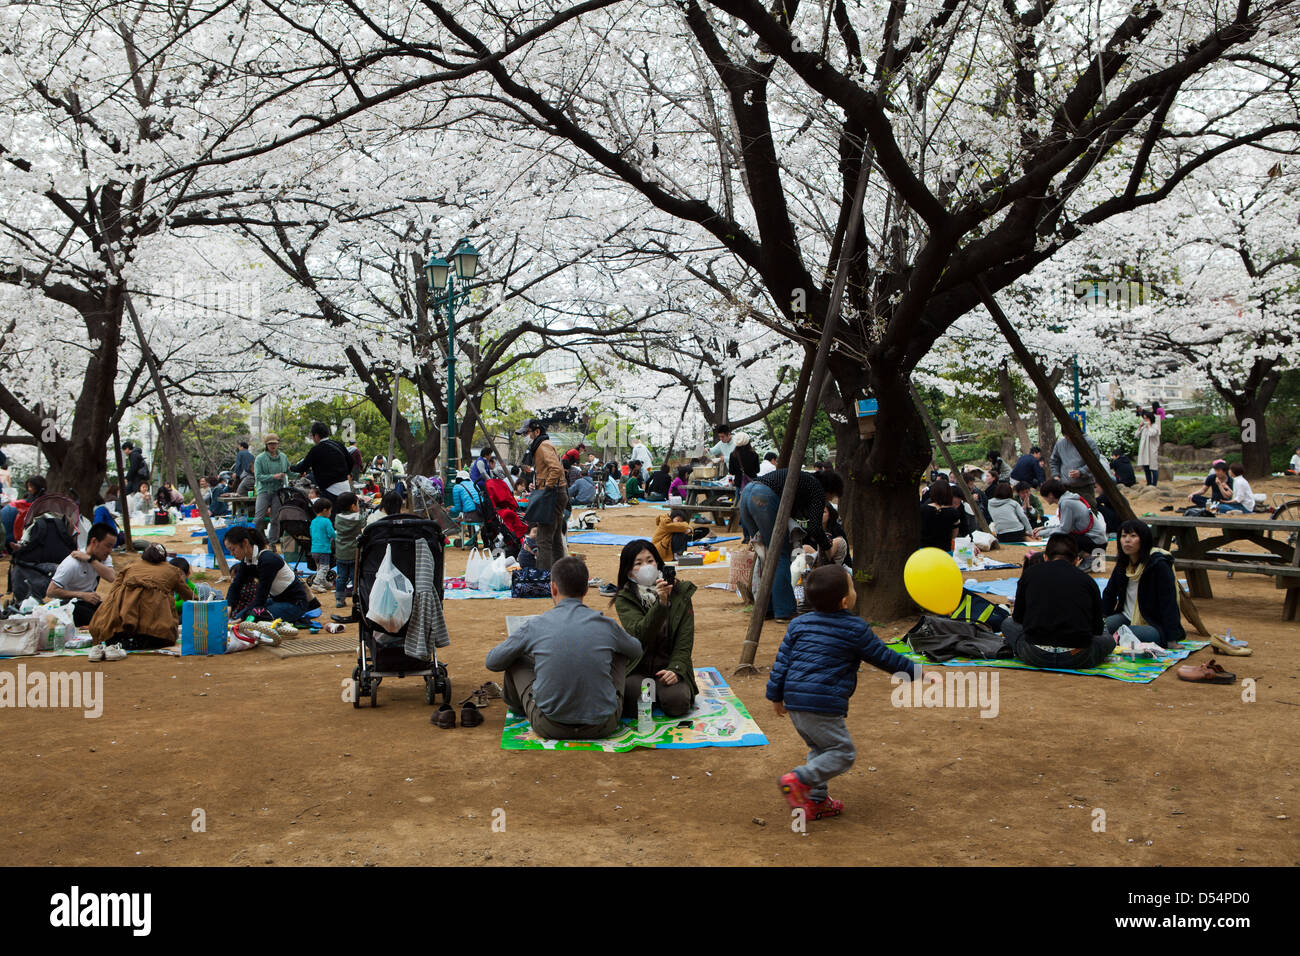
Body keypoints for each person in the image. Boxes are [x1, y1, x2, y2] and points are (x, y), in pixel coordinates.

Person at [767, 565, 933, 819]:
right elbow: (884, 657)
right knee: (843, 753)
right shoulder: (854, 628)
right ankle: (799, 779)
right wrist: (918, 672)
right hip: (822, 703)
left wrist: (775, 695)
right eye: (852, 586)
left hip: (795, 701)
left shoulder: (798, 624)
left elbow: (783, 661)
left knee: (821, 749)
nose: (855, 590)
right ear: (846, 600)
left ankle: (815, 801)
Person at [485, 556, 641, 740]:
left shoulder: (536, 625)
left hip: (548, 725)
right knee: (619, 652)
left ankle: (519, 706)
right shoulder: (606, 625)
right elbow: (636, 650)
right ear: (585, 590)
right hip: (603, 725)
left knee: (515, 657)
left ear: (553, 588)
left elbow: (493, 661)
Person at [739, 467, 843, 621]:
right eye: (830, 497)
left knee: (764, 554)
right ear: (829, 489)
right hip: (762, 498)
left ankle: (766, 608)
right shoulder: (816, 488)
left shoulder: (804, 481)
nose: (827, 501)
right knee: (779, 553)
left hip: (746, 494)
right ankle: (784, 610)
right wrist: (827, 547)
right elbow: (815, 526)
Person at [1002, 533, 1116, 668]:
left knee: (1007, 623)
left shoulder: (1029, 574)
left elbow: (1018, 618)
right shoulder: (1088, 581)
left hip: (1035, 654)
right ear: (1077, 560)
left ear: (1045, 557)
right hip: (1078, 656)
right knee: (1107, 637)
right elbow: (1097, 628)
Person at [611, 540, 698, 718]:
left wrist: (676, 669)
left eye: (650, 561)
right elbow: (640, 634)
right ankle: (654, 694)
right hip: (638, 669)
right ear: (629, 572)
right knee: (638, 706)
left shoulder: (681, 593)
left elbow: (685, 640)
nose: (646, 567)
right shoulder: (625, 598)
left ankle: (663, 693)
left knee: (678, 703)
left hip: (668, 668)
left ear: (658, 562)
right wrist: (661, 604)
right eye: (638, 563)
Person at [87, 543, 191, 657]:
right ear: (164, 558)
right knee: (163, 634)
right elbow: (190, 597)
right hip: (157, 630)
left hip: (124, 623)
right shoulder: (172, 571)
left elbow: (112, 595)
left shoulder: (130, 567)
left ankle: (119, 642)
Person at [1100, 520, 1186, 648]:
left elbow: (1168, 603)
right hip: (1125, 617)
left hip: (1152, 624)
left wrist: (1171, 639)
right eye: (1123, 536)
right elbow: (1109, 594)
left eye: (1133, 536)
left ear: (1144, 539)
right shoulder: (1123, 564)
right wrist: (1102, 619)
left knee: (1122, 635)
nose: (1127, 540)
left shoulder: (1158, 565)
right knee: (1099, 628)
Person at [224, 526, 318, 623]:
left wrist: (244, 617)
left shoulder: (267, 560)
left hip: (295, 604)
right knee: (238, 618)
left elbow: (261, 595)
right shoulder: (247, 560)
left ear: (245, 543)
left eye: (233, 549)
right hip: (277, 600)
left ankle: (294, 616)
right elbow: (236, 585)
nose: (231, 553)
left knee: (250, 620)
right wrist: (228, 605)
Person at [516, 418, 567, 571]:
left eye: (527, 433)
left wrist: (547, 488)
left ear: (537, 432)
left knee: (543, 538)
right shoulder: (543, 445)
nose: (526, 436)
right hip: (558, 493)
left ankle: (543, 577)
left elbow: (556, 469)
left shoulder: (543, 446)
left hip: (552, 494)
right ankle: (560, 573)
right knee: (556, 536)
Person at [45, 523, 117, 628]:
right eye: (108, 546)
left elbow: (111, 577)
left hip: (88, 602)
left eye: (112, 547)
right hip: (68, 605)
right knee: (99, 622)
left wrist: (90, 560)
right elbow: (51, 591)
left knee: (113, 615)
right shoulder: (71, 564)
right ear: (94, 542)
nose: (110, 551)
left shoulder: (103, 558)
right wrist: (82, 595)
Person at [1040, 477, 1107, 571]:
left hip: (1096, 543)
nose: (1044, 499)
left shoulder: (1066, 503)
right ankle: (1090, 558)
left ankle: (1091, 559)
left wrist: (1042, 533)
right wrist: (1043, 528)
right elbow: (1064, 525)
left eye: (1044, 496)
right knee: (1064, 535)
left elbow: (1064, 530)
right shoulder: (1067, 499)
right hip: (1096, 541)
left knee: (1061, 538)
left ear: (1050, 495)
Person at [291, 422, 352, 505]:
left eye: (312, 436)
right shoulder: (338, 444)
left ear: (316, 435)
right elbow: (351, 461)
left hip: (331, 490)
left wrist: (290, 468)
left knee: (329, 516)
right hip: (346, 486)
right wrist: (344, 474)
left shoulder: (316, 449)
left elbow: (302, 467)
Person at [253, 434, 291, 545]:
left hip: (278, 491)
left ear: (278, 444)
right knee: (259, 518)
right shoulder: (260, 458)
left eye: (275, 443)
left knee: (275, 519)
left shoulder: (283, 457)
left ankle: (273, 543)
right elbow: (258, 476)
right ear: (266, 445)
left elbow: (289, 471)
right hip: (264, 491)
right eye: (270, 444)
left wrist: (299, 474)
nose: (273, 446)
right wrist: (274, 477)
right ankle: (253, 540)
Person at [1050, 432, 1102, 504]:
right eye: (1065, 436)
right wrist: (1056, 475)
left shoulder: (1089, 442)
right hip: (1066, 487)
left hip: (1085, 487)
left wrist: (1081, 472)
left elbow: (1094, 462)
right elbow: (1054, 461)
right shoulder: (1060, 443)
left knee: (1088, 510)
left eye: (1068, 436)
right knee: (1067, 510)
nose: (1067, 438)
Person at [332, 492, 364, 610]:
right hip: (354, 553)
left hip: (341, 553)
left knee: (341, 577)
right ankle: (357, 599)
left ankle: (340, 599)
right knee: (355, 577)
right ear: (352, 506)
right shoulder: (358, 517)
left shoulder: (338, 518)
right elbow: (364, 523)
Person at [920, 479, 963, 552]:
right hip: (944, 552)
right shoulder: (953, 512)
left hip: (924, 551)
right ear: (949, 494)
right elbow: (954, 535)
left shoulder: (923, 509)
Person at [309, 497, 336, 593]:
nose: (330, 513)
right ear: (325, 510)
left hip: (314, 549)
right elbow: (331, 533)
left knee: (319, 568)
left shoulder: (314, 521)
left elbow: (311, 533)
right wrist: (335, 537)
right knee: (325, 568)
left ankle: (324, 583)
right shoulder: (326, 521)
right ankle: (316, 583)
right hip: (324, 549)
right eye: (330, 511)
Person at [1136, 410, 1161, 486]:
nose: (1145, 420)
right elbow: (1136, 435)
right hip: (1144, 450)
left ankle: (1154, 484)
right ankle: (1148, 483)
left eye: (1147, 419)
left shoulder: (1155, 426)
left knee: (1153, 467)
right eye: (1144, 419)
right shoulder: (1144, 427)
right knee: (1146, 467)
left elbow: (1152, 433)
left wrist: (1149, 426)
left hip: (1152, 450)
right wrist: (1140, 426)